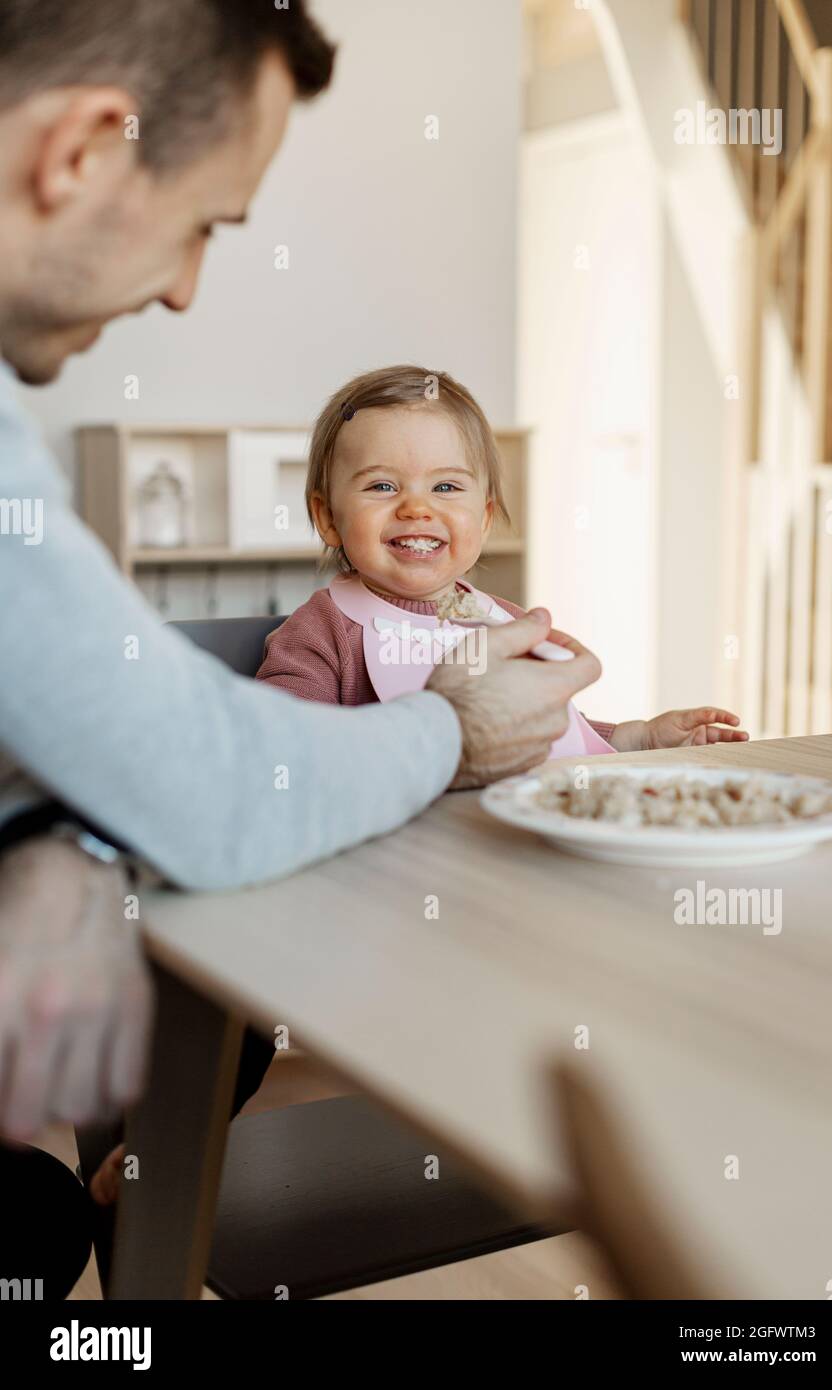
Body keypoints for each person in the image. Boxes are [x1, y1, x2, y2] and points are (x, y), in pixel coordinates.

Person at [0, 1, 597, 1148]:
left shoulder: (493, 614)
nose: (182, 290)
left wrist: (53, 844)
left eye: (453, 488)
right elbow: (213, 781)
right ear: (78, 151)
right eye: (204, 226)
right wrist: (453, 732)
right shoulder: (331, 623)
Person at [257, 365, 749, 753]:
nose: (417, 507)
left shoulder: (505, 626)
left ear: (486, 516)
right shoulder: (321, 634)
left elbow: (547, 732)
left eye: (446, 486)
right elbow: (282, 750)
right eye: (382, 486)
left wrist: (638, 738)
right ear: (327, 518)